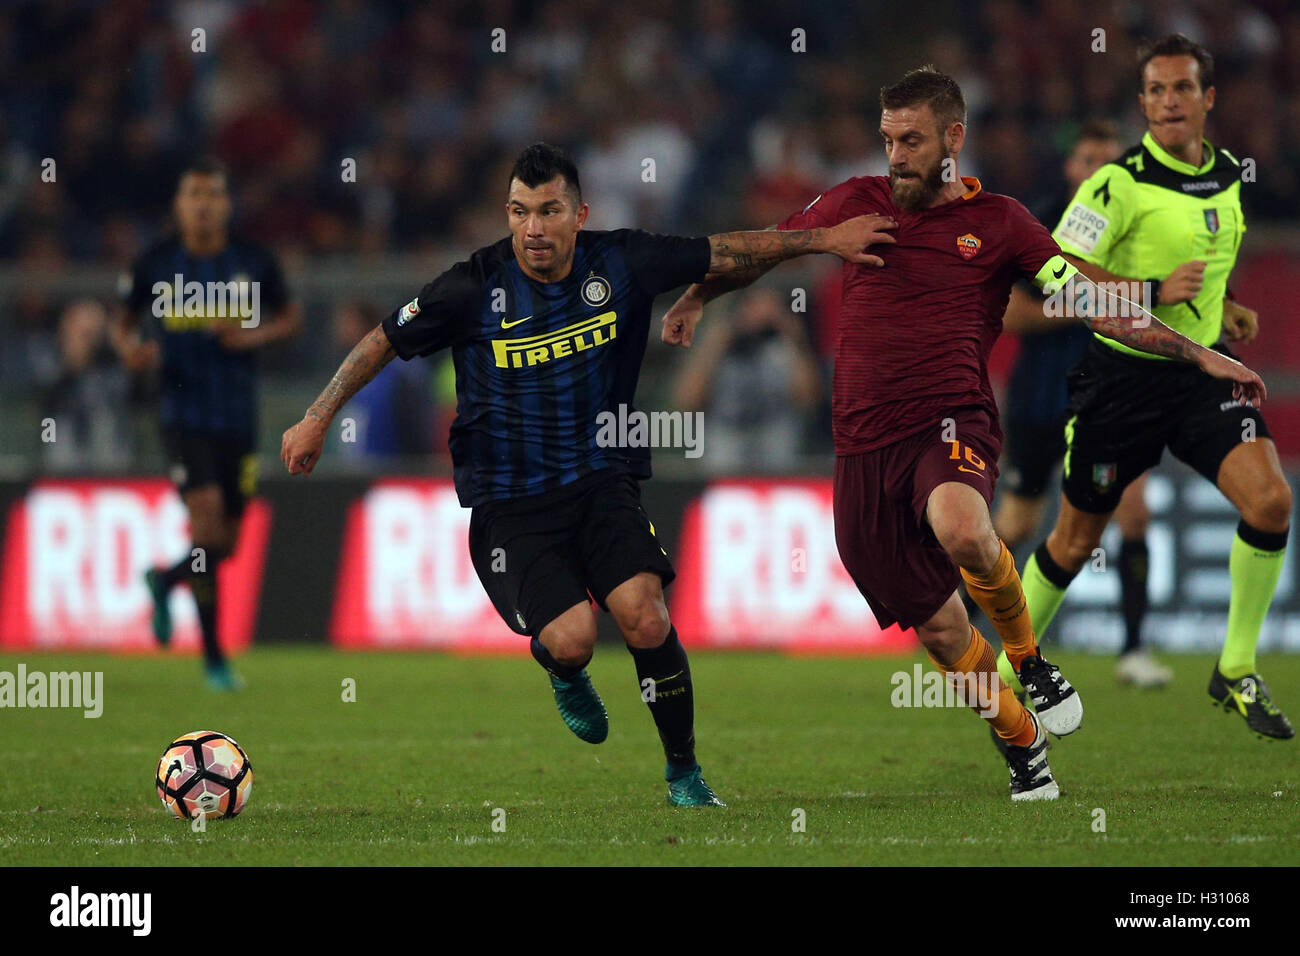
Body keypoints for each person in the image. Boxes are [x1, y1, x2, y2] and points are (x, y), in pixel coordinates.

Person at [661, 67, 1266, 800]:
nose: (897, 156)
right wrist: (705, 288)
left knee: (967, 529)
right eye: (888, 140)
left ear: (953, 137)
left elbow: (1093, 298)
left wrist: (1198, 351)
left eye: (911, 140)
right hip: (860, 447)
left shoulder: (1004, 223)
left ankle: (1030, 658)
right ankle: (1023, 743)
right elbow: (761, 248)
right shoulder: (857, 202)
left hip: (950, 423)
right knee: (945, 635)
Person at [280, 143, 892, 806]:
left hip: (603, 484)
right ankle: (564, 671)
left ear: (580, 214)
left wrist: (823, 239)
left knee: (646, 617)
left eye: (549, 211)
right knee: (571, 639)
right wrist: (316, 417)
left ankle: (684, 772)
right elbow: (382, 340)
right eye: (519, 211)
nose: (533, 227)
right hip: (510, 503)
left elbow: (726, 249)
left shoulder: (622, 260)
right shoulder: (471, 286)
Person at [1014, 35, 1292, 740]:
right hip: (1122, 381)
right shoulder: (1115, 184)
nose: (1170, 101)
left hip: (1203, 373)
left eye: (1183, 88)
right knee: (1074, 542)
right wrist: (1149, 290)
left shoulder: (1229, 173)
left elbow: (1212, 259)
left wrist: (1221, 306)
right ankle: (1007, 669)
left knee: (1271, 500)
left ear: (1207, 99)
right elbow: (1058, 271)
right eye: (1157, 90)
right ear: (1142, 104)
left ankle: (1234, 668)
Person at [994, 120, 1173, 690]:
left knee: (1134, 510)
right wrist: (1099, 303)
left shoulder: (1139, 229)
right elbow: (1011, 315)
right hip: (1039, 397)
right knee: (1015, 524)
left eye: (1107, 159)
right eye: (1086, 158)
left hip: (1109, 394)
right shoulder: (1040, 223)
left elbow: (1153, 306)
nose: (1096, 168)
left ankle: (1135, 649)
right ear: (1071, 168)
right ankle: (966, 635)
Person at [112, 158, 301, 690]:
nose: (202, 204)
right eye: (192, 194)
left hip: (238, 419)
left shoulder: (254, 260)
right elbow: (121, 323)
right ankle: (215, 659)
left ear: (226, 203)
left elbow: (290, 317)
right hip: (181, 416)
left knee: (225, 545)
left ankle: (165, 577)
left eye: (212, 194)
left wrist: (253, 335)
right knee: (207, 526)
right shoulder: (154, 263)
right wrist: (130, 351)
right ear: (178, 204)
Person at [670, 285, 822, 473]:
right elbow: (686, 401)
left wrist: (792, 335)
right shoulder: (718, 344)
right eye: (753, 306)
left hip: (775, 434)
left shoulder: (784, 346)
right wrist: (716, 342)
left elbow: (809, 400)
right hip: (726, 433)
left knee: (781, 440)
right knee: (721, 448)